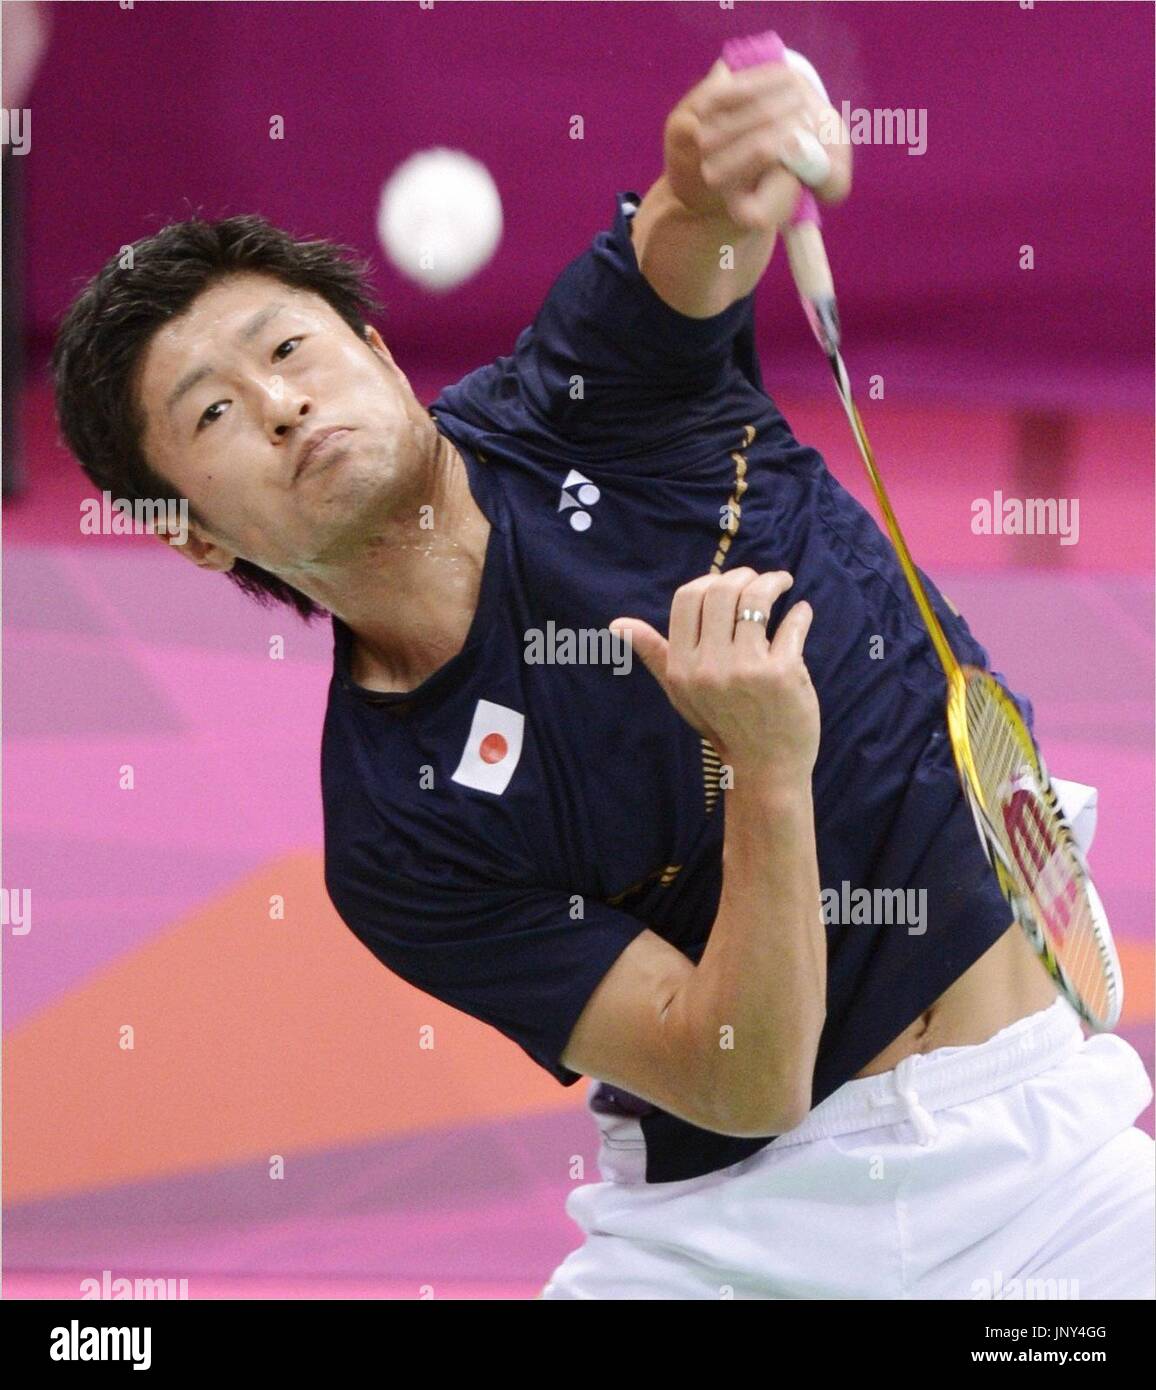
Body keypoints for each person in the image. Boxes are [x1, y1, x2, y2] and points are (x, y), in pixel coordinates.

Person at [51, 53, 1154, 1300]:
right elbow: (742, 1077)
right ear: (194, 532)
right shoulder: (394, 832)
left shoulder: (590, 396)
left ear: (374, 347)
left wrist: (728, 162)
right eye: (212, 416)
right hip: (736, 1238)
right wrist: (764, 772)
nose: (283, 405)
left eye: (290, 348)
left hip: (1048, 1162)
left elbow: (695, 231)